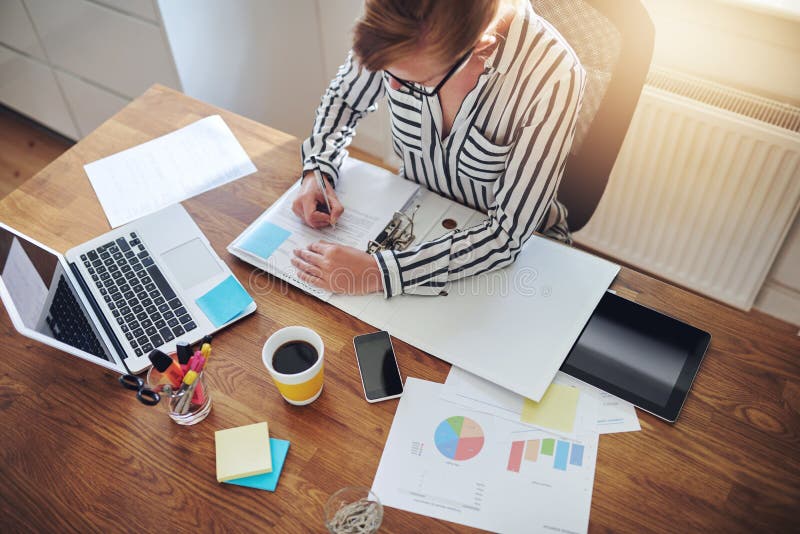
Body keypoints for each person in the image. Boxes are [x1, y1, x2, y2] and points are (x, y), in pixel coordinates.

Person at [291, 0, 585, 297]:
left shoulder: (556, 77)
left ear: (481, 48)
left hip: (510, 262)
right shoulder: (398, 19)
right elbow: (344, 99)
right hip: (417, 219)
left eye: (415, 82)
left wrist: (378, 272)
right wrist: (317, 169)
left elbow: (505, 236)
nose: (391, 86)